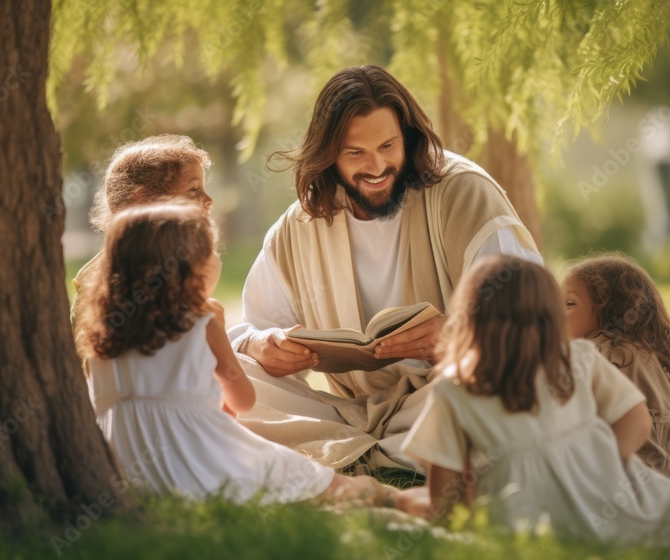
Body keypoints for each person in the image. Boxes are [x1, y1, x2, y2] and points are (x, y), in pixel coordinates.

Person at [228, 65, 542, 471]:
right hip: (351, 410)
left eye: (388, 147)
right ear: (327, 156)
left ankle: (350, 452)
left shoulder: (465, 193)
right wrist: (262, 345)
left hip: (446, 394)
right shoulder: (299, 225)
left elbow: (533, 314)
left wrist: (465, 333)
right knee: (227, 373)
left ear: (408, 139)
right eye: (355, 153)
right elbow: (254, 327)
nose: (376, 167)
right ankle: (396, 451)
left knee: (505, 383)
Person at [402, 256, 670, 544]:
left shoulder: (455, 390)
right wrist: (608, 461)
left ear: (469, 322)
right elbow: (636, 417)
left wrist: (455, 526)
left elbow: (446, 485)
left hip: (527, 503)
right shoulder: (578, 357)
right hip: (610, 477)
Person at [73, 202, 426, 513]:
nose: (217, 258)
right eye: (210, 251)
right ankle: (396, 501)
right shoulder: (203, 321)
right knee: (305, 476)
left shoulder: (101, 335)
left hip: (124, 458)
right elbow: (242, 399)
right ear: (189, 268)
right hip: (197, 453)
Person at [563, 254, 670, 489]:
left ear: (609, 312)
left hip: (643, 465)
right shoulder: (657, 354)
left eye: (569, 304)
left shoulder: (596, 350)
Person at [71, 134, 215, 324]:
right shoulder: (115, 280)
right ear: (145, 200)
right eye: (193, 190)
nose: (209, 200)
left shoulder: (171, 262)